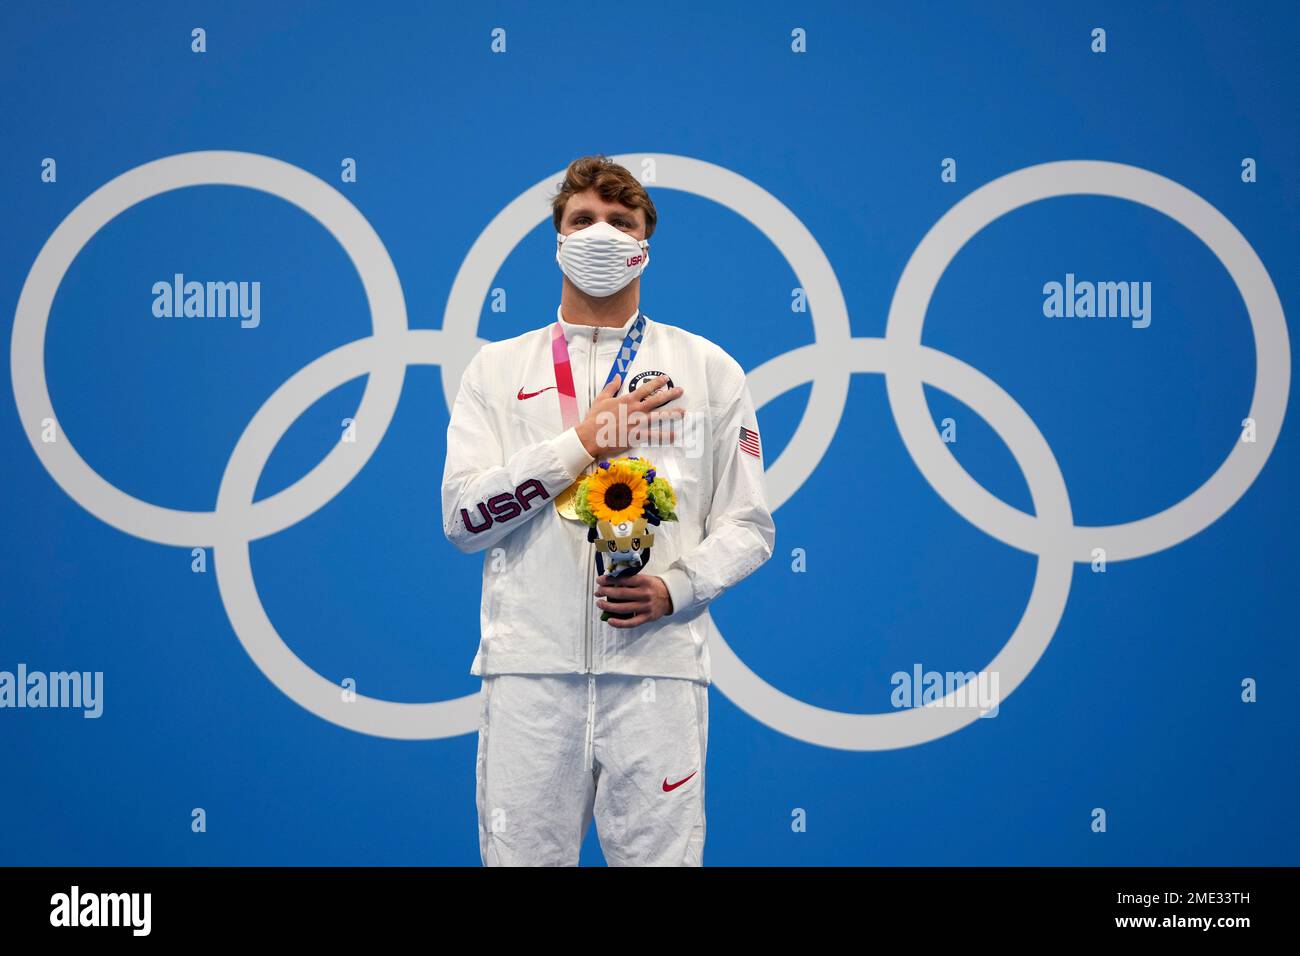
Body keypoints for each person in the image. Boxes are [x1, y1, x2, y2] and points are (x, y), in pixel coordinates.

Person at [441, 154, 776, 866]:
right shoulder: (496, 370)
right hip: (530, 676)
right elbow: (464, 520)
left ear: (645, 245)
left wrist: (677, 588)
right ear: (557, 240)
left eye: (620, 222)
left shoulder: (710, 370)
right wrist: (579, 444)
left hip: (657, 674)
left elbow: (750, 526)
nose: (600, 235)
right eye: (582, 220)